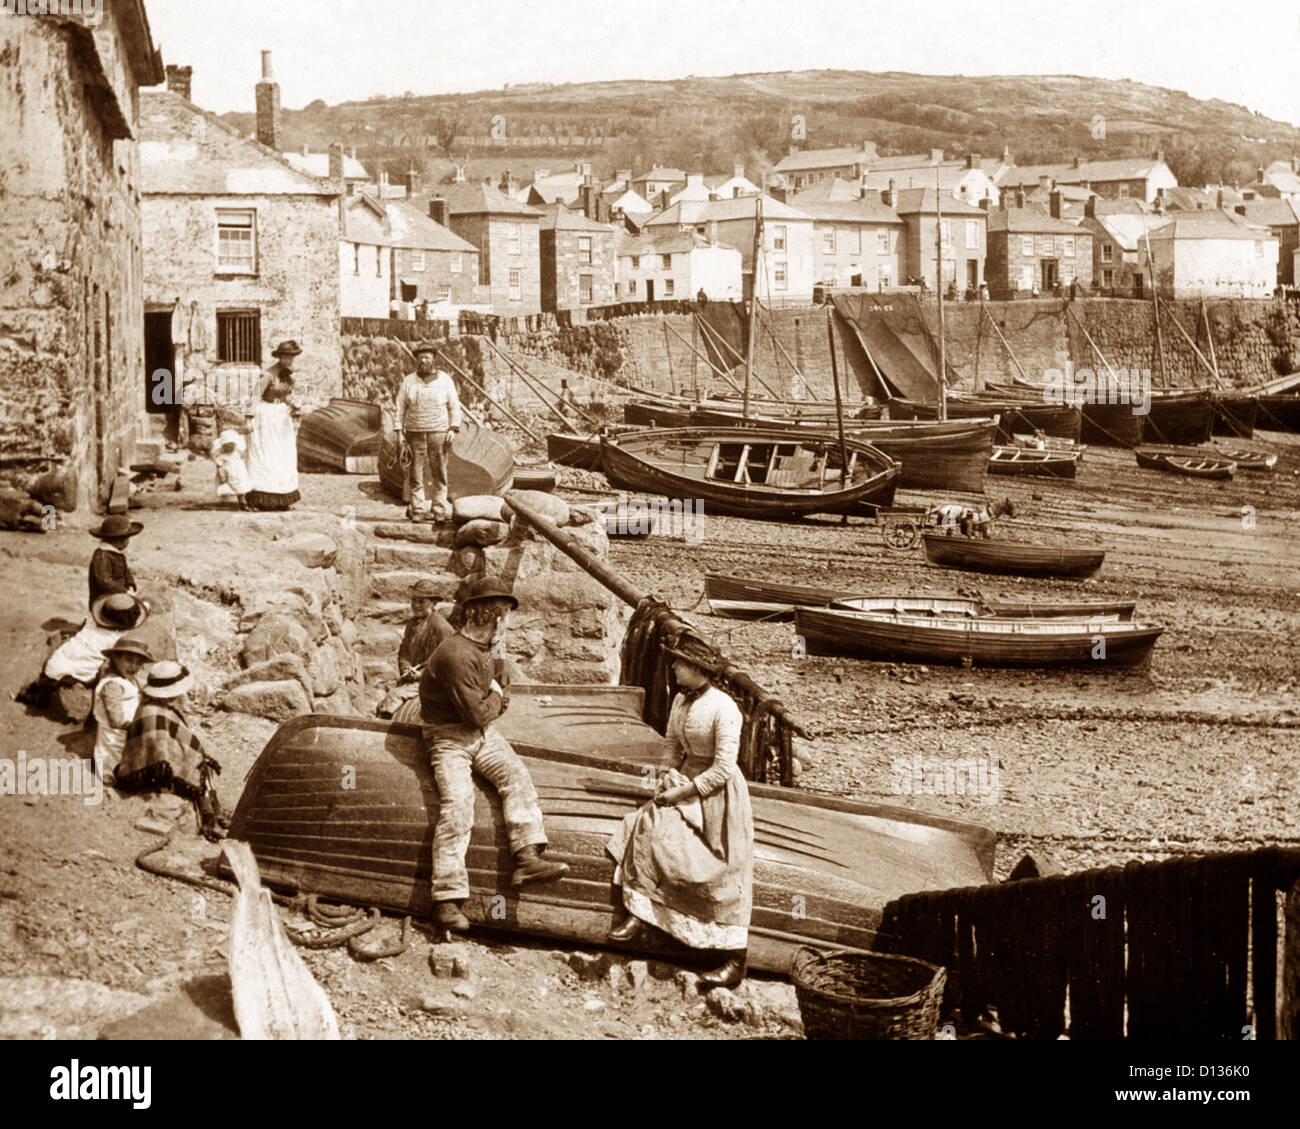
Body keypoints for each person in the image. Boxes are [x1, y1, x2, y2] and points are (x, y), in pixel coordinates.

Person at [419, 575, 568, 932]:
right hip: (448, 737)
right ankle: (447, 899)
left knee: (516, 776)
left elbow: (503, 686)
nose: (507, 621)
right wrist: (496, 698)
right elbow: (479, 712)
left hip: (482, 733)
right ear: (494, 616)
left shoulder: (494, 645)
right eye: (505, 614)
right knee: (458, 806)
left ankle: (528, 857)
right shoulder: (454, 654)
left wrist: (496, 697)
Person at [606, 637, 754, 990]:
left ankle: (735, 959)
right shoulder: (679, 699)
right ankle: (641, 914)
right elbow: (672, 745)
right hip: (684, 780)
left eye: (679, 664)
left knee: (722, 871)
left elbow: (722, 769)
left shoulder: (724, 708)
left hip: (717, 794)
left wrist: (684, 791)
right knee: (648, 826)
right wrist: (664, 776)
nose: (672, 668)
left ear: (699, 670)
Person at [117, 661, 226, 840]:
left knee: (199, 766)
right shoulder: (150, 711)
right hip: (148, 771)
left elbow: (173, 740)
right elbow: (157, 748)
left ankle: (213, 811)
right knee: (195, 773)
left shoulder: (164, 708)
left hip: (159, 766)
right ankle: (208, 820)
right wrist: (178, 761)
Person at [18, 593, 150, 721]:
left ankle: (40, 691)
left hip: (58, 661)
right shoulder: (115, 638)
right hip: (78, 671)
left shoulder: (92, 622)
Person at [396, 344, 461, 522]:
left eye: (427, 357)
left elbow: (454, 405)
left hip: (439, 432)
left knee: (439, 471)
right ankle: (417, 509)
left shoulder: (445, 380)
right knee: (415, 473)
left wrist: (453, 428)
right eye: (421, 358)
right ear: (416, 360)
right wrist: (399, 433)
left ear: (434, 359)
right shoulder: (409, 381)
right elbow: (400, 407)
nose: (424, 360)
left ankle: (439, 509)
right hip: (414, 433)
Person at [376, 578, 456, 719]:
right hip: (411, 679)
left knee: (393, 697)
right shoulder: (412, 624)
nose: (416, 605)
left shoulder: (441, 628)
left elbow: (447, 663)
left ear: (433, 603)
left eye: (422, 601)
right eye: (414, 600)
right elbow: (404, 652)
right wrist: (406, 668)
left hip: (432, 683)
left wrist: (421, 674)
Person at [244, 340, 302, 511]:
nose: (288, 361)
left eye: (291, 358)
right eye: (285, 357)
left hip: (282, 418)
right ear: (279, 357)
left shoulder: (290, 375)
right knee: (266, 455)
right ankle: (261, 498)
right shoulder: (268, 374)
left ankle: (282, 499)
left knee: (284, 456)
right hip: (266, 417)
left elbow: (285, 395)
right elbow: (254, 396)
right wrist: (248, 419)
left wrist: (293, 404)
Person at [91, 636, 151, 770]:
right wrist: (144, 726)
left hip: (128, 734)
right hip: (115, 740)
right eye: (128, 660)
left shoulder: (129, 680)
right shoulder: (112, 685)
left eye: (138, 663)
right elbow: (115, 721)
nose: (133, 666)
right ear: (115, 659)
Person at [88, 514, 143, 609]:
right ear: (119, 540)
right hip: (104, 599)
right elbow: (105, 582)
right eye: (127, 539)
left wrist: (130, 584)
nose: (128, 542)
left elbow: (126, 572)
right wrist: (124, 591)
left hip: (119, 594)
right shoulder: (102, 557)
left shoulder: (117, 554)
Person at [213, 428, 252, 508]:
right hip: (228, 474)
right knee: (228, 486)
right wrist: (222, 475)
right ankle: (225, 499)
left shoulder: (236, 452)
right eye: (227, 446)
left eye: (232, 445)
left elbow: (242, 456)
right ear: (223, 446)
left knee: (241, 486)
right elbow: (219, 465)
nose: (230, 448)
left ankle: (243, 502)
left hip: (239, 473)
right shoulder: (222, 455)